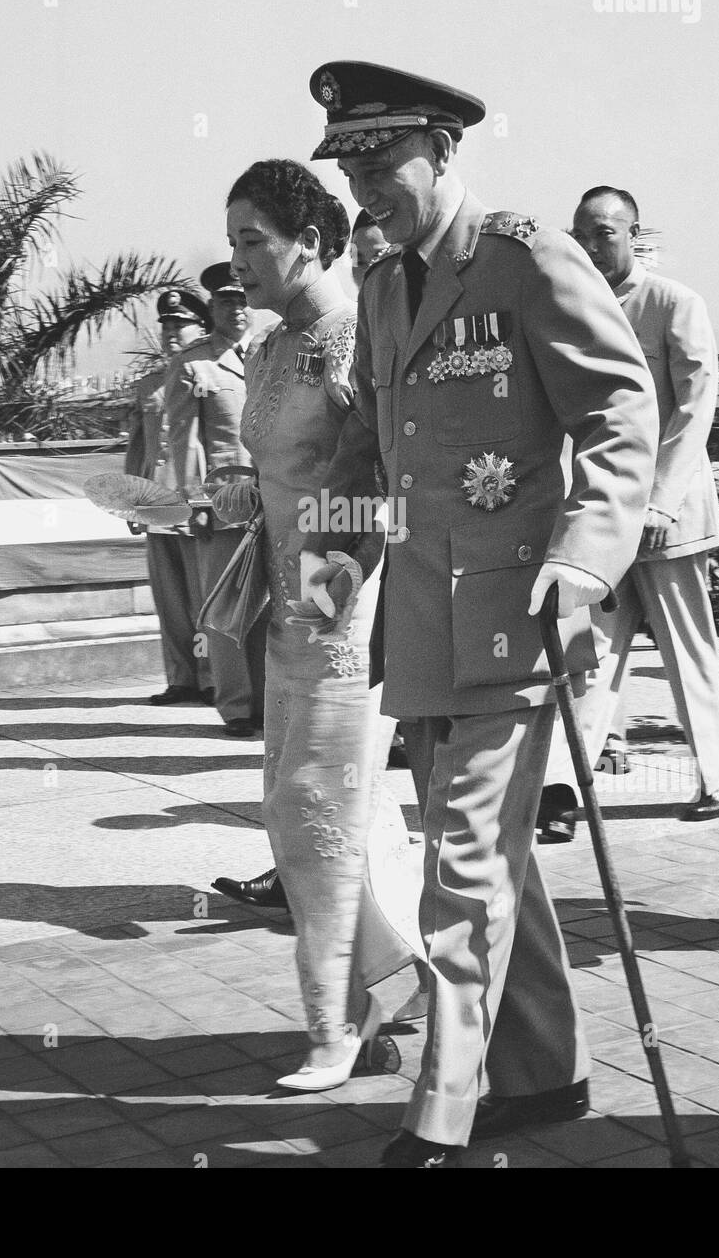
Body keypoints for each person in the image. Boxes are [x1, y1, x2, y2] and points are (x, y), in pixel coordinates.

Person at [303, 60, 657, 1165]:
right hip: (419, 623)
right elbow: (375, 446)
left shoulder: (525, 259)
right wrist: (330, 558)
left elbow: (618, 407)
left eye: (384, 160)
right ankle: (547, 1073)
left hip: (516, 616)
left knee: (463, 867)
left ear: (445, 149)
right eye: (351, 165)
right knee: (496, 860)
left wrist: (590, 559)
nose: (368, 188)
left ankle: (443, 1115)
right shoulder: (381, 283)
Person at [217, 157, 414, 1089]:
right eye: (233, 245)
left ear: (310, 240)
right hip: (286, 608)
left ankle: (334, 1030)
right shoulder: (261, 350)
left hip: (344, 604)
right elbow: (274, 479)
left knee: (312, 812)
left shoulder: (355, 341)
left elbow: (373, 485)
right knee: (326, 811)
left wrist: (322, 600)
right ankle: (387, 990)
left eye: (253, 242)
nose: (239, 263)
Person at [537, 186, 719, 842]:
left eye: (606, 233)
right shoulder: (571, 310)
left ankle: (715, 774)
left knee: (688, 647)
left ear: (633, 233)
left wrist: (660, 499)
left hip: (666, 515)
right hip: (602, 517)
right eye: (582, 234)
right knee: (589, 656)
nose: (593, 247)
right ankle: (569, 792)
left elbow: (694, 407)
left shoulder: (674, 303)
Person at [165, 264, 268, 737]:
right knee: (228, 609)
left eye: (243, 297)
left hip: (275, 499)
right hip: (224, 503)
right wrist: (196, 504)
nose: (238, 308)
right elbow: (187, 443)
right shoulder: (193, 364)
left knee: (272, 606)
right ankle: (238, 706)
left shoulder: (271, 350)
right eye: (227, 300)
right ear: (213, 307)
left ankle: (270, 700)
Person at [126, 289, 212, 706]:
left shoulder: (210, 375)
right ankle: (181, 678)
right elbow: (137, 449)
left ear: (202, 328)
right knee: (171, 599)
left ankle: (215, 678)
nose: (172, 331)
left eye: (181, 324)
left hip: (198, 502)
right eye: (166, 325)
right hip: (158, 505)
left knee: (206, 596)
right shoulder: (149, 385)